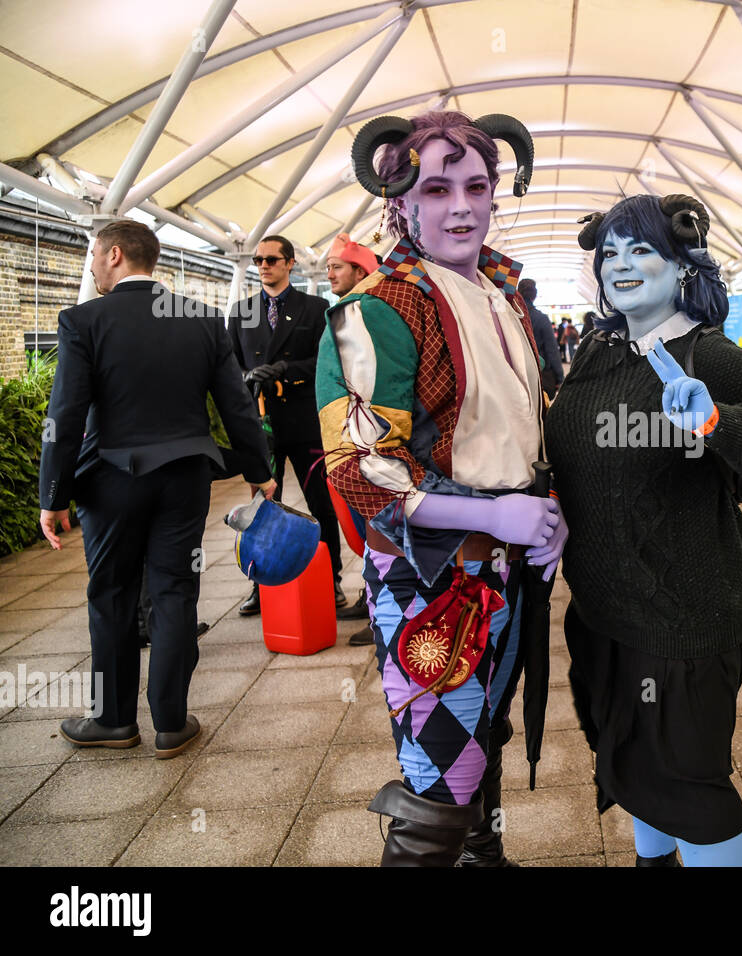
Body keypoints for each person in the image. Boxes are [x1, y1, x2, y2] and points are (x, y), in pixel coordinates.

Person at [317, 109, 566, 866]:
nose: (460, 205)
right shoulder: (376, 311)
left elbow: (529, 425)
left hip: (509, 566)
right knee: (440, 774)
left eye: (477, 185)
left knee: (487, 732)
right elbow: (360, 467)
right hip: (433, 575)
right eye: (436, 188)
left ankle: (482, 859)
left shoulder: (507, 297)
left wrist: (547, 517)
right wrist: (501, 514)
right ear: (401, 202)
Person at [546, 194, 742, 866]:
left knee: (691, 782)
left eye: (640, 249)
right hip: (606, 609)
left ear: (682, 268)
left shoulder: (707, 356)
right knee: (634, 763)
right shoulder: (596, 350)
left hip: (687, 613)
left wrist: (715, 420)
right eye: (610, 251)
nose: (621, 263)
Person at [39, 219, 275, 758]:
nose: (93, 266)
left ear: (115, 254)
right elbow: (236, 404)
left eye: (95, 255)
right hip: (185, 479)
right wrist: (259, 472)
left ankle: (114, 721)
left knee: (112, 596)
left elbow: (66, 415)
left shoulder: (82, 321)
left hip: (109, 481)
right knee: (174, 592)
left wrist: (52, 496)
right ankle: (171, 722)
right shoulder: (202, 320)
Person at [227, 234, 346, 616]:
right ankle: (261, 584)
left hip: (305, 423)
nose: (264, 265)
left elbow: (328, 364)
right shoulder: (241, 311)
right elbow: (228, 367)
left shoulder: (315, 308)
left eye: (272, 260)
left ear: (290, 263)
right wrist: (247, 376)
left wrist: (285, 370)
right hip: (263, 426)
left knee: (321, 504)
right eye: (259, 260)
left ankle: (332, 580)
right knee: (262, 506)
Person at [323, 232, 382, 635]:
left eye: (336, 266)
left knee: (376, 529)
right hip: (348, 442)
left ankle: (382, 610)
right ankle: (372, 596)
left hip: (369, 443)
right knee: (360, 528)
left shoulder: (368, 311)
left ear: (360, 270)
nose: (328, 274)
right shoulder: (348, 308)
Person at [518, 277, 564, 399]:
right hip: (540, 375)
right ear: (534, 295)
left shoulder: (510, 315)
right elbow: (552, 350)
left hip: (516, 375)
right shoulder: (541, 318)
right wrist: (559, 377)